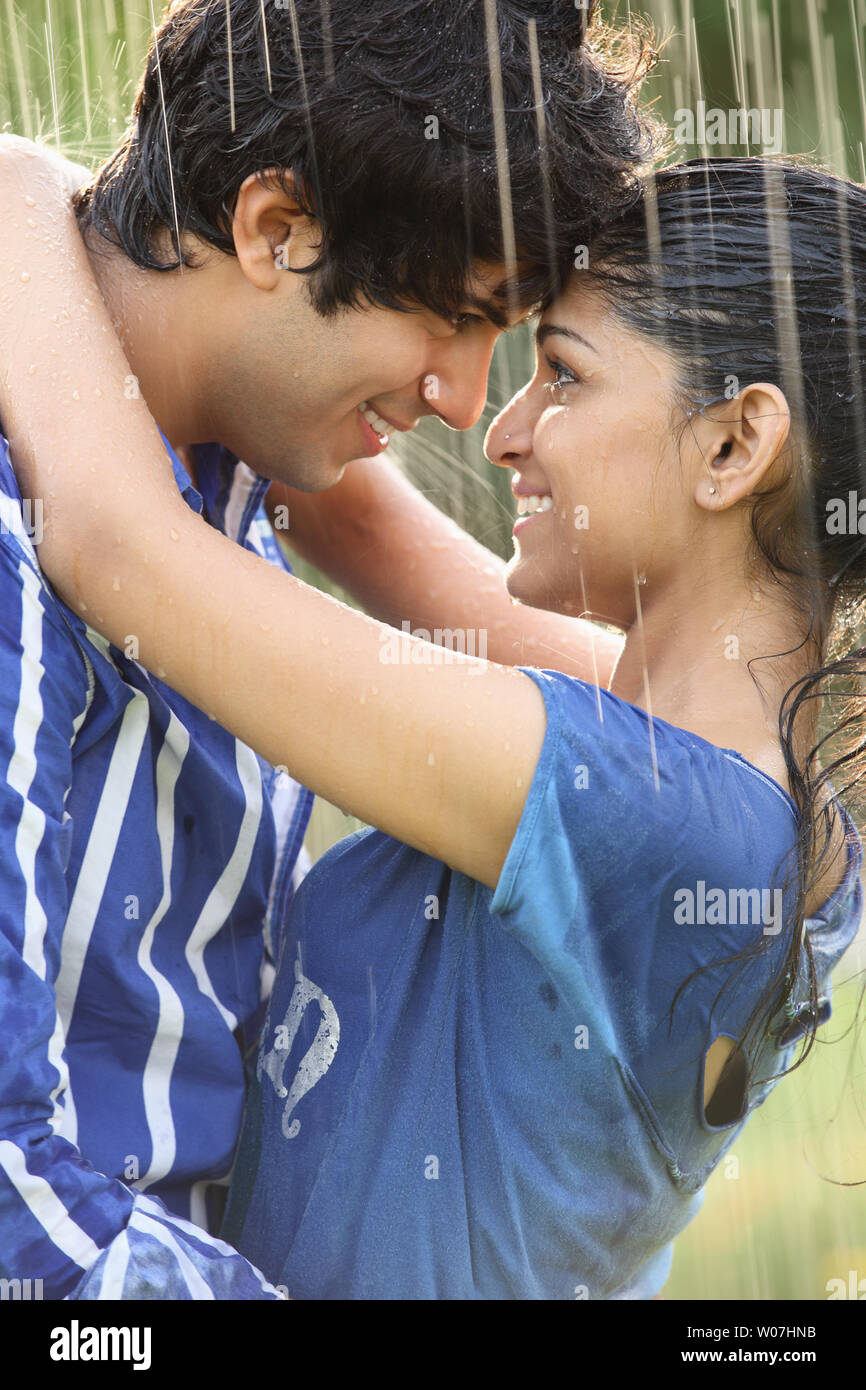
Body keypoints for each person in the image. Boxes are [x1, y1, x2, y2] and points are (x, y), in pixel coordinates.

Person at [4, 149, 864, 1300]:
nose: (500, 430)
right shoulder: (732, 768)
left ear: (730, 447)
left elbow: (118, 546)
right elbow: (353, 516)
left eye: (560, 374)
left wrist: (18, 189)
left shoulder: (659, 825)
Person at [0, 0, 661, 1299]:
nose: (469, 403)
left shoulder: (236, 479)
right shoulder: (25, 546)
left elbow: (644, 728)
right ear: (272, 226)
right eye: (457, 317)